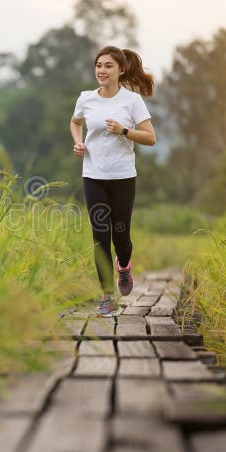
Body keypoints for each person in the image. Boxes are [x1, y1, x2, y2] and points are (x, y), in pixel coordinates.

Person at [69, 45, 157, 317]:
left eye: (108, 66)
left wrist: (124, 130)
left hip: (122, 176)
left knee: (120, 234)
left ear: (120, 70)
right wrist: (78, 143)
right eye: (98, 65)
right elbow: (75, 122)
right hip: (93, 176)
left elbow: (151, 138)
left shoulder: (131, 101)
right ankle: (107, 296)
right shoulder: (86, 98)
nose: (102, 70)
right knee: (100, 236)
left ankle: (124, 266)